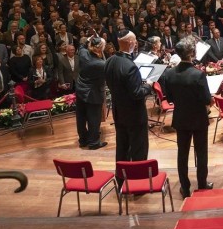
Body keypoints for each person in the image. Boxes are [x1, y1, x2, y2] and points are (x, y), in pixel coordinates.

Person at [159, 38, 213, 197]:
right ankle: (202, 183)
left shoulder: (169, 74)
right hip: (198, 118)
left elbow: (169, 98)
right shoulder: (198, 74)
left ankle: (185, 187)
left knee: (182, 154)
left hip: (181, 117)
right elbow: (206, 99)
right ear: (192, 53)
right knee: (201, 152)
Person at [105, 30, 151, 172]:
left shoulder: (110, 60)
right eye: (135, 40)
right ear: (130, 42)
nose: (136, 42)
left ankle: (121, 178)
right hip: (134, 115)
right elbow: (137, 93)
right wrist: (148, 85)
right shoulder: (130, 66)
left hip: (119, 112)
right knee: (138, 149)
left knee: (122, 148)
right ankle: (138, 180)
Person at [75, 37, 108, 149]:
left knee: (81, 117)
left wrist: (88, 40)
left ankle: (83, 140)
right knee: (94, 118)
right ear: (100, 49)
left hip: (80, 89)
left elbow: (81, 45)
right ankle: (94, 143)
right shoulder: (100, 64)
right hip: (92, 93)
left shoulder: (83, 53)